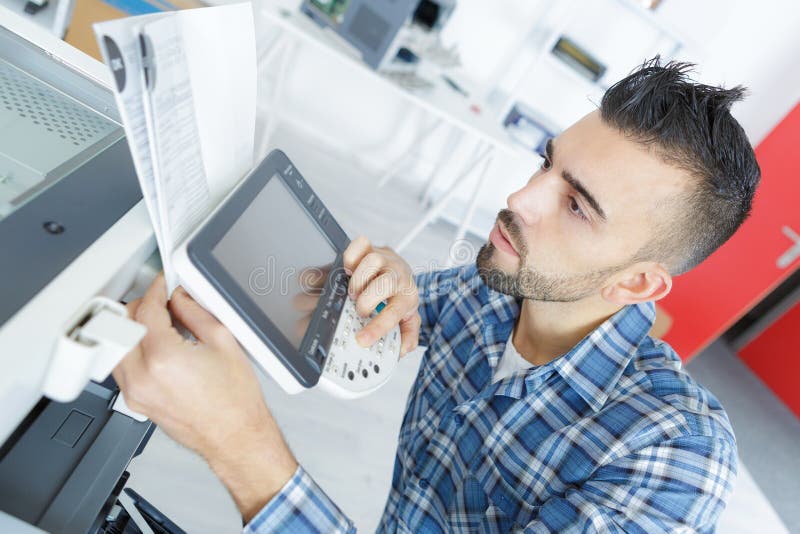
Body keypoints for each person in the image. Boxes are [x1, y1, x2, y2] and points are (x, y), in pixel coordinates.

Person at [113, 58, 760, 532]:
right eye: (546, 163)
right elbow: (392, 313)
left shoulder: (674, 454)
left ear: (637, 283)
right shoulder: (493, 292)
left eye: (577, 206)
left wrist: (238, 442)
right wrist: (382, 284)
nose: (519, 199)